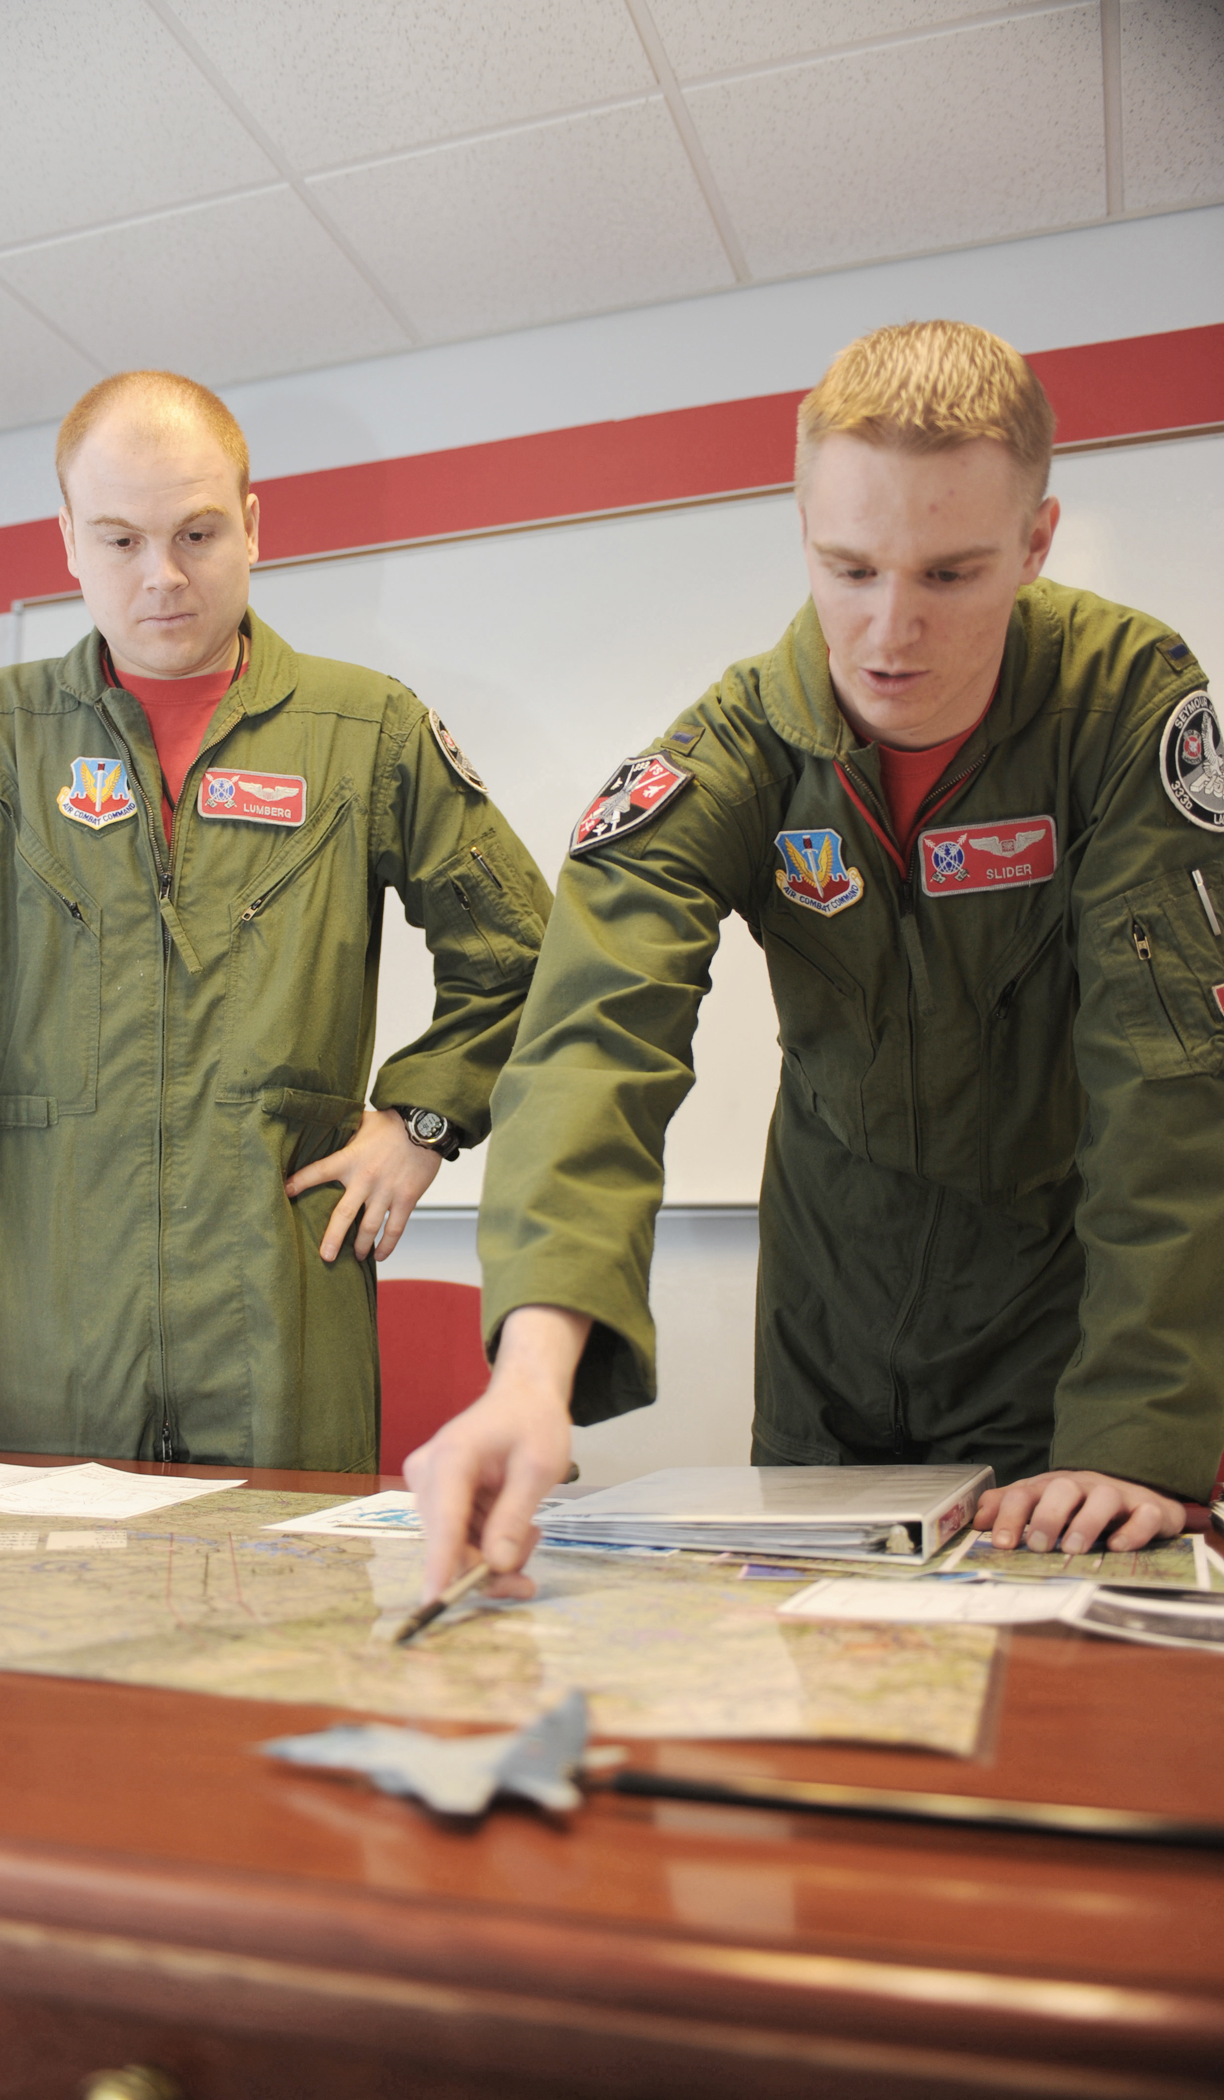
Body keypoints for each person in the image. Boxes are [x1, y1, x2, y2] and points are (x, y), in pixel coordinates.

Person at [408, 319, 1224, 1598]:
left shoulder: (1121, 703)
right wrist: (528, 1377)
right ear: (801, 533)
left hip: (1066, 1342)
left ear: (1034, 543)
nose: (890, 631)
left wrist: (1136, 1431)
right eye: (848, 569)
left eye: (949, 574)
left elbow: (1165, 1080)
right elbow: (590, 1046)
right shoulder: (735, 749)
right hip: (825, 1331)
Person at [0, 370, 550, 1470]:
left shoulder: (365, 731)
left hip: (282, 1308)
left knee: (288, 1577)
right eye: (120, 540)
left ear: (252, 527)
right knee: (34, 1577)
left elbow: (530, 957)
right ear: (68, 541)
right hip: (37, 1312)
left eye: (197, 533)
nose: (162, 575)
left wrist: (422, 1121)